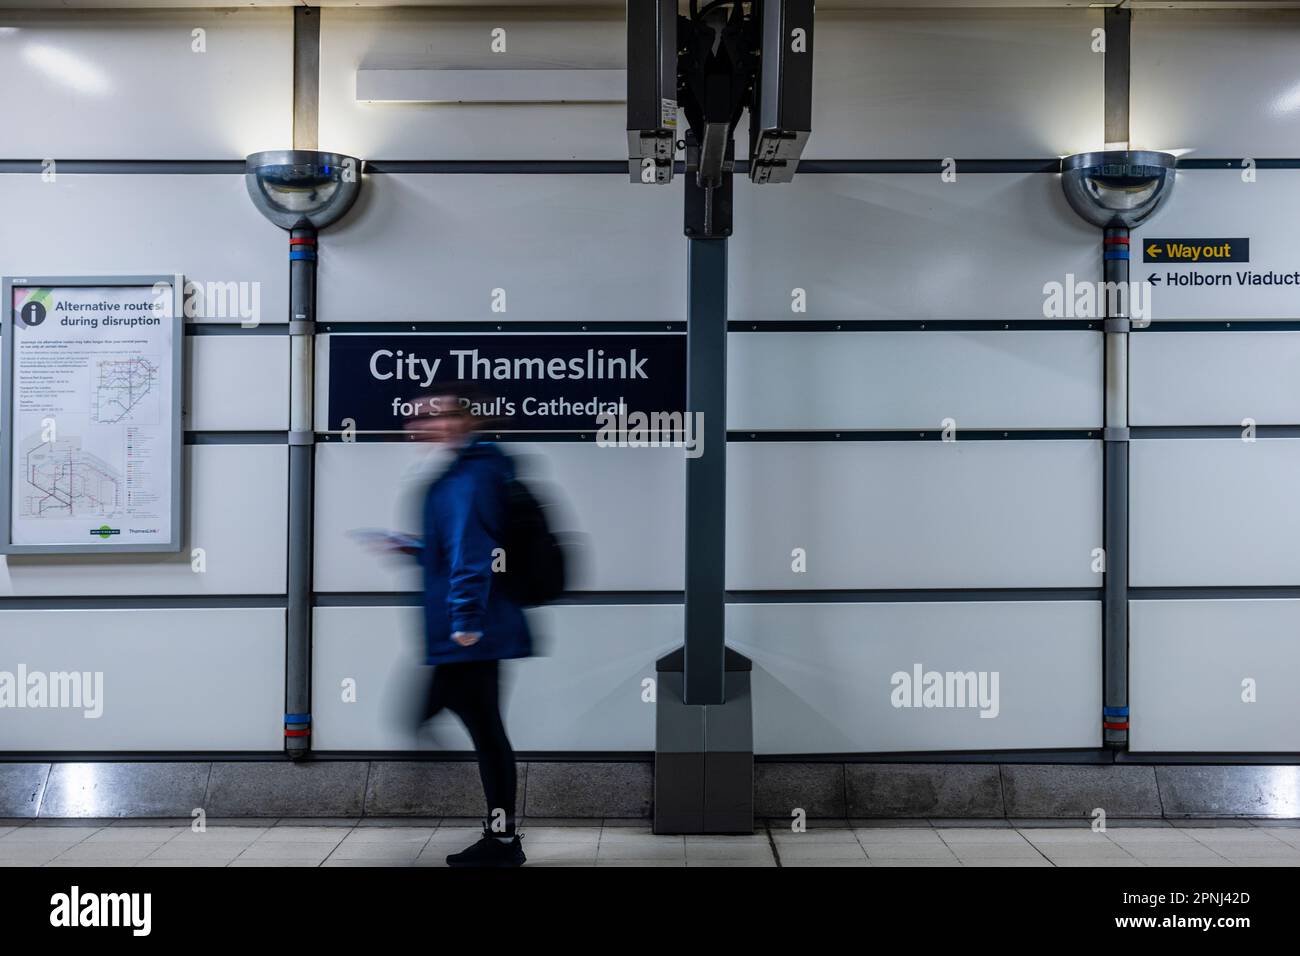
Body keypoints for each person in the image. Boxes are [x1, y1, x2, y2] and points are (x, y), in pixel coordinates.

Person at [402, 386, 531, 868]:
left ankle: (500, 841)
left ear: (462, 420)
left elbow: (473, 552)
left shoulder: (469, 476)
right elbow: (455, 546)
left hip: (471, 633)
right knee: (483, 729)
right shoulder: (464, 471)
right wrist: (412, 548)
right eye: (415, 418)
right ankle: (501, 841)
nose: (419, 426)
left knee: (451, 721)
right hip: (472, 629)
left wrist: (465, 621)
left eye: (432, 417)